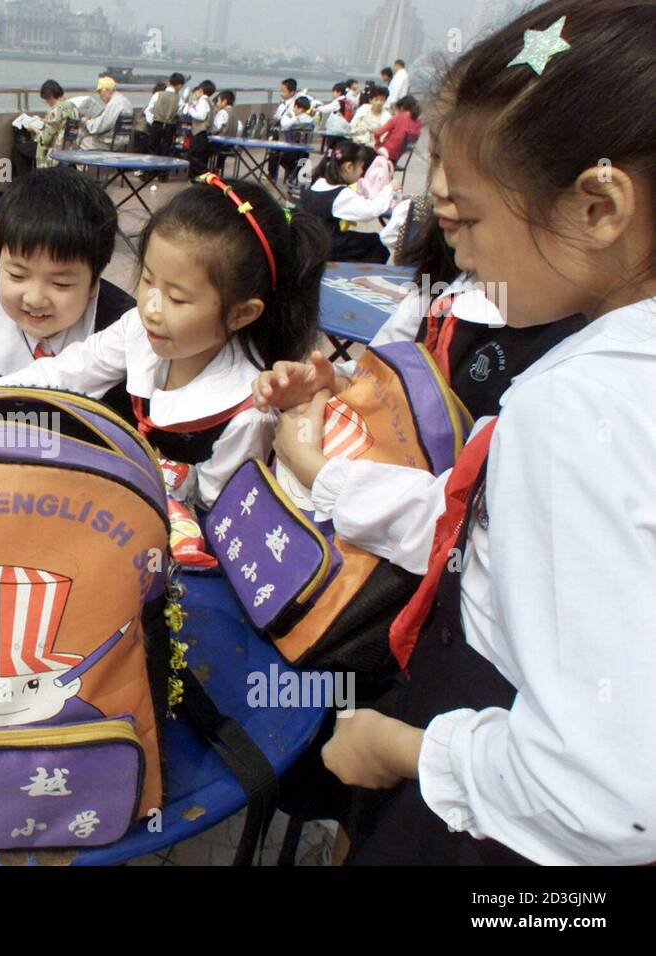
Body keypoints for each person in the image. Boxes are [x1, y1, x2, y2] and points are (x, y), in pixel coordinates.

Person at [272, 0, 656, 865]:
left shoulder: (580, 403)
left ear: (599, 207)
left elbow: (613, 792)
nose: (464, 256)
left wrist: (404, 749)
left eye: (473, 222)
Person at [0, 177, 330, 510]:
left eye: (177, 298)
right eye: (147, 279)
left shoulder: (246, 414)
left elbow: (214, 510)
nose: (151, 308)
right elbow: (66, 373)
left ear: (241, 314)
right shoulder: (137, 330)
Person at [0, 166, 135, 387]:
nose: (34, 299)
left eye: (60, 283)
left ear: (94, 282)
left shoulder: (122, 329)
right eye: (17, 275)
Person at [299, 141, 395, 263]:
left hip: (308, 241)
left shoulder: (318, 183)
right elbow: (370, 211)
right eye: (361, 167)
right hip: (326, 245)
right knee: (376, 244)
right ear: (349, 167)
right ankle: (361, 278)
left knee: (364, 240)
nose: (361, 172)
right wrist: (389, 189)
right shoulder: (341, 194)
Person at [78, 75, 132, 150]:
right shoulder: (125, 101)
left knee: (84, 141)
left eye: (100, 92)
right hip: (123, 140)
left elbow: (102, 125)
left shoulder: (114, 103)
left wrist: (87, 122)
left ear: (106, 90)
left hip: (112, 142)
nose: (100, 95)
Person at [34, 78, 78, 168]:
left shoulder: (55, 111)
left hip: (54, 154)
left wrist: (34, 129)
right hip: (69, 150)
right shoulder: (73, 108)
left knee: (21, 148)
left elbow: (44, 139)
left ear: (49, 97)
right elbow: (61, 125)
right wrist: (45, 121)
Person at [184, 80, 218, 177]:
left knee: (194, 156)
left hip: (199, 132)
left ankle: (200, 175)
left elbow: (201, 116)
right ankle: (201, 176)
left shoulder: (203, 101)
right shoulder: (209, 102)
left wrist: (190, 109)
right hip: (204, 132)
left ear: (201, 89)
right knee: (199, 156)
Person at [374, 94, 422, 163]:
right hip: (398, 156)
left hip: (384, 153)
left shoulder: (399, 117)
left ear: (401, 107)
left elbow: (377, 133)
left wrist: (378, 143)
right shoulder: (418, 123)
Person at [149, 71, 186, 156]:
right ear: (180, 86)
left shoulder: (158, 94)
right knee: (165, 150)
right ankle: (162, 169)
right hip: (169, 126)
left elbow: (150, 109)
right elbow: (180, 113)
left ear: (169, 82)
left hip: (156, 123)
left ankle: (151, 168)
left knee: (153, 148)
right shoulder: (179, 99)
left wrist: (153, 121)